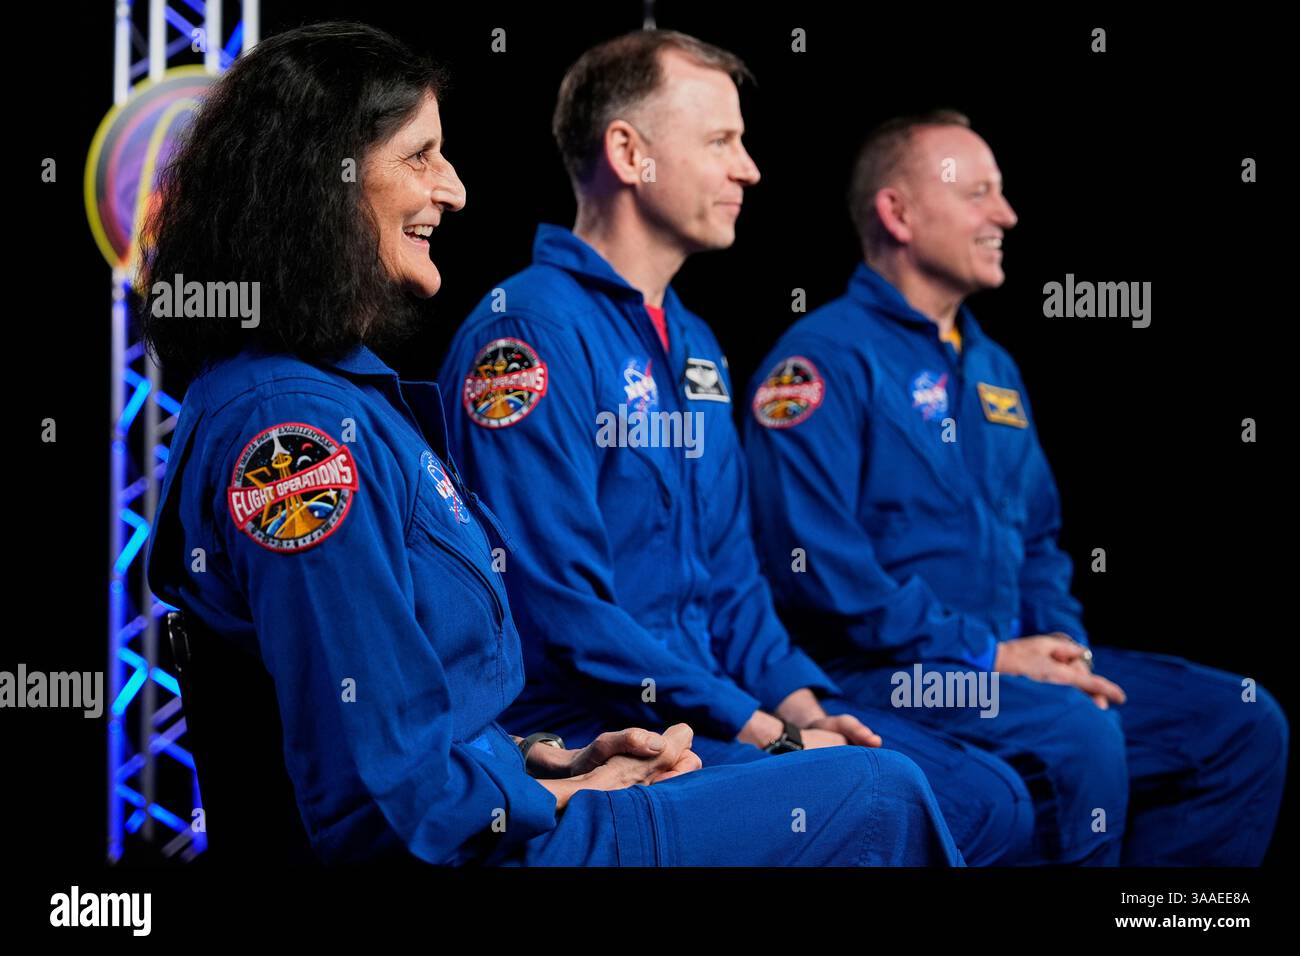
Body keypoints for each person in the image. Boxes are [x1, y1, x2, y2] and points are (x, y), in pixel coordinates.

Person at [141, 22, 962, 867]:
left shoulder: (329, 400)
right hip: (493, 849)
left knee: (936, 785)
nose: (455, 189)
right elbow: (378, 809)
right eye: (420, 156)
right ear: (323, 179)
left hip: (526, 785)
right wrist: (559, 793)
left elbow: (414, 722)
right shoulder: (299, 440)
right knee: (879, 794)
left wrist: (544, 758)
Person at [437, 31, 1030, 865]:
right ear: (628, 153)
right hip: (594, 736)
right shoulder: (526, 335)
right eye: (721, 141)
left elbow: (734, 585)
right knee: (885, 794)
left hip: (714, 710)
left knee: (992, 799)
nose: (748, 168)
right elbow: (561, 606)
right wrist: (766, 730)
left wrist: (807, 708)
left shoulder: (700, 347)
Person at [743, 110, 1288, 864]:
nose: (1006, 214)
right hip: (885, 679)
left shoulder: (995, 369)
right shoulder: (818, 362)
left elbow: (1037, 541)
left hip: (1012, 668)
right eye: (979, 194)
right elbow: (824, 578)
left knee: (1237, 719)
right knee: (1077, 738)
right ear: (897, 212)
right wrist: (989, 656)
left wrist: (1065, 649)